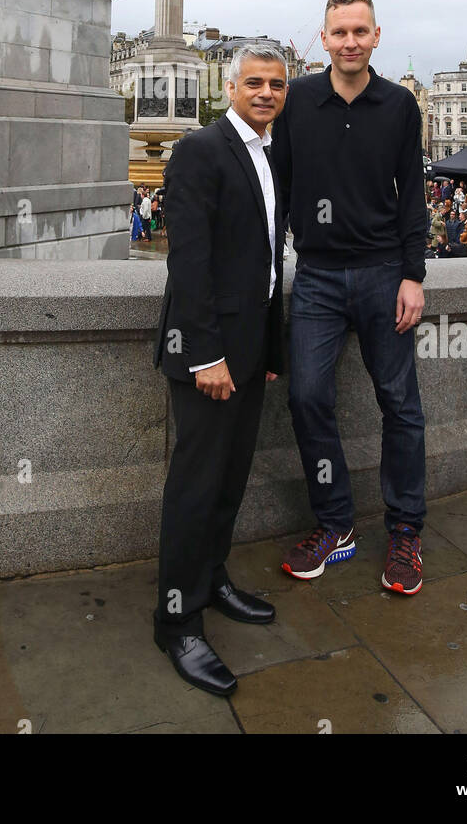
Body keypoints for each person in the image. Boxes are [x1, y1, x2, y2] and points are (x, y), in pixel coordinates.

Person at [271, 0, 427, 596]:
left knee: (400, 405)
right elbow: (279, 189)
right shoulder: (298, 100)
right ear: (325, 37)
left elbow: (411, 194)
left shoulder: (399, 105)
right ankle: (336, 524)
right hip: (316, 274)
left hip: (384, 270)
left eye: (360, 32)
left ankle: (406, 529)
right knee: (307, 396)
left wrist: (413, 273)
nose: (350, 42)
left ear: (376, 36)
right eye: (339, 33)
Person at [152, 43, 288, 696]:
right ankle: (176, 619)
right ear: (229, 87)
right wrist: (207, 354)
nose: (266, 92)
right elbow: (191, 262)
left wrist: (269, 353)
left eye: (277, 84)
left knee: (231, 479)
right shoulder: (200, 150)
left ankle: (211, 579)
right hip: (207, 355)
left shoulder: (268, 156)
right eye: (254, 82)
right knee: (196, 486)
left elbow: (265, 268)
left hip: (251, 351)